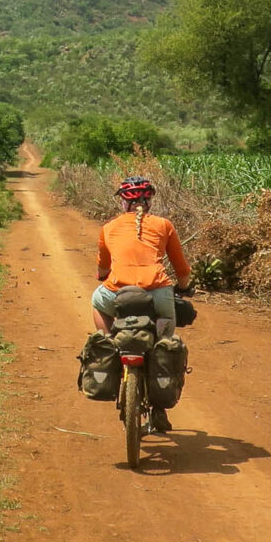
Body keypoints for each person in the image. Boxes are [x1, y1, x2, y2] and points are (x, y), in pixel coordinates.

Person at [90, 176, 192, 431]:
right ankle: (159, 409)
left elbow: (102, 266)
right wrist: (182, 287)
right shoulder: (164, 225)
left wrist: (104, 276)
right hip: (158, 293)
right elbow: (182, 269)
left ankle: (110, 344)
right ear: (149, 201)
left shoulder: (109, 227)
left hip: (118, 293)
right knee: (161, 346)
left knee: (96, 300)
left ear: (124, 202)